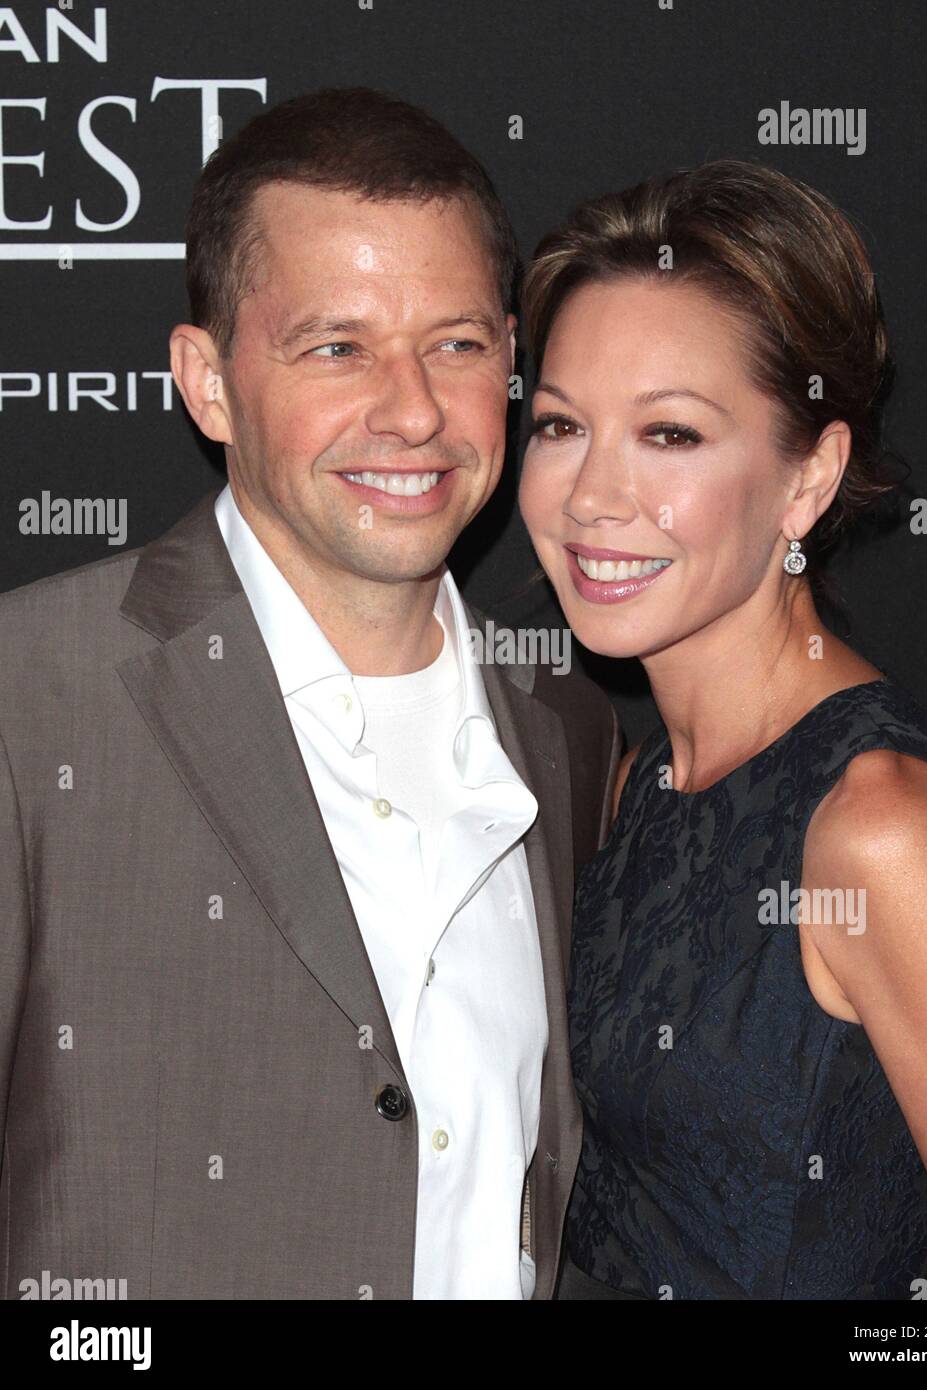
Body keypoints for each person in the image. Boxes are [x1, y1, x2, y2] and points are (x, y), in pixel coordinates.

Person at [0, 87, 619, 1301]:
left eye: (456, 343)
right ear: (209, 380)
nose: (413, 409)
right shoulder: (32, 700)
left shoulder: (568, 725)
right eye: (337, 347)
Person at [517, 160, 927, 1300]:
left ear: (808, 479)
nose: (592, 496)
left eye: (669, 435)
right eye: (559, 425)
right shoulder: (643, 780)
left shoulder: (878, 825)